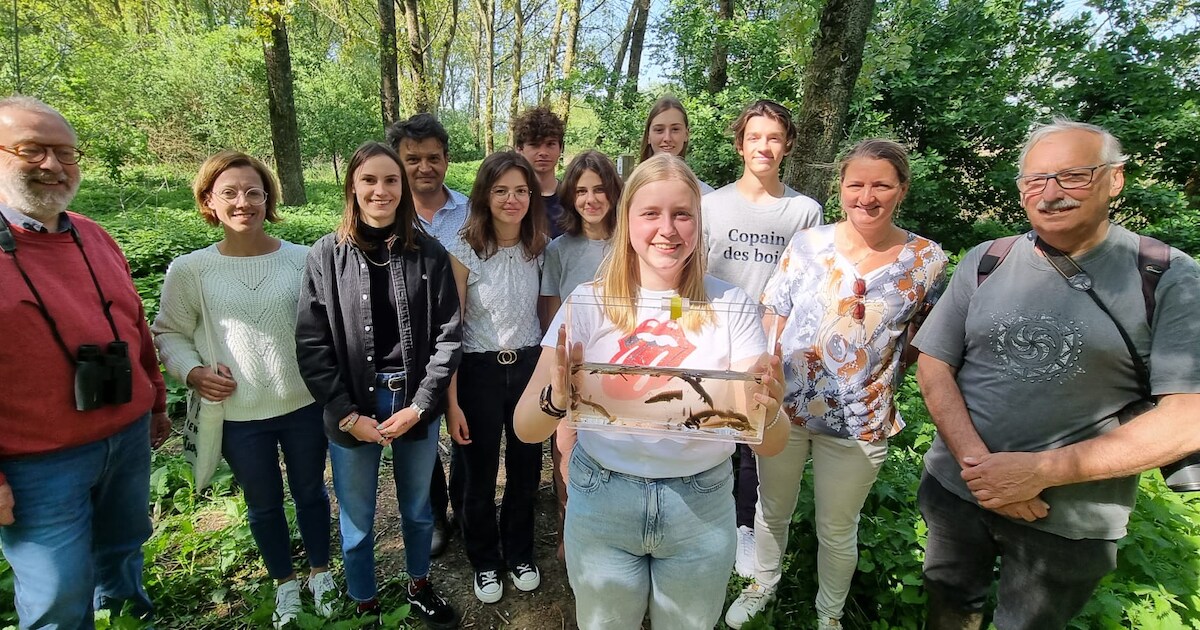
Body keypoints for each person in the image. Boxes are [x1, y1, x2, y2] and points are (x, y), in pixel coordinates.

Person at [912, 119, 1200, 629]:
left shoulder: (1167, 278)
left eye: (1072, 176)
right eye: (1035, 180)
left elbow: (1188, 418)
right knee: (949, 604)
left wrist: (1039, 473)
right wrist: (982, 469)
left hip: (1068, 520)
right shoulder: (988, 260)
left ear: (1115, 179)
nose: (1051, 194)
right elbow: (935, 364)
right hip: (958, 489)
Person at [514, 153, 789, 629]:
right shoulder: (588, 302)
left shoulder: (732, 306)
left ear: (699, 222)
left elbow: (770, 443)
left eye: (682, 214)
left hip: (700, 507)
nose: (667, 229)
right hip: (602, 500)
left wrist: (770, 411)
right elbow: (525, 427)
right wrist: (557, 399)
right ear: (627, 221)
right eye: (650, 213)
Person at [724, 139, 949, 629]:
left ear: (902, 189)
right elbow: (774, 312)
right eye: (856, 184)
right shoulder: (808, 245)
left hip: (862, 417)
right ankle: (763, 584)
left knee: (838, 527)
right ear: (841, 187)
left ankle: (829, 615)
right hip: (788, 407)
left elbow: (926, 337)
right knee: (771, 509)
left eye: (881, 185)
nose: (867, 196)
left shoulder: (927, 260)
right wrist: (763, 374)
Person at [0, 95, 171, 628]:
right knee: (58, 590)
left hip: (125, 436)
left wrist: (156, 402)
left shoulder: (92, 234)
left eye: (66, 153)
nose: (53, 165)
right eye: (32, 150)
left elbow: (133, 324)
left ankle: (126, 619)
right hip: (35, 462)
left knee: (124, 548)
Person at [152, 150, 335, 628]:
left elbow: (327, 329)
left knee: (311, 491)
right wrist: (192, 372)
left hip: (302, 404)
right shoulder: (191, 270)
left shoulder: (302, 259)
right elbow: (169, 332)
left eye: (254, 192)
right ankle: (284, 583)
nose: (243, 202)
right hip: (237, 413)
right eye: (229, 193)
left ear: (268, 199)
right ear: (209, 202)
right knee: (263, 502)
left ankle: (320, 572)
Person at [295, 142, 461, 628]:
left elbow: (449, 336)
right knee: (357, 521)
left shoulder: (429, 254)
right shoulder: (326, 256)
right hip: (351, 405)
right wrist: (347, 415)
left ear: (403, 188)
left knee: (418, 510)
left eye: (391, 180)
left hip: (413, 402)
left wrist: (422, 405)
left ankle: (419, 586)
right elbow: (312, 344)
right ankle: (365, 604)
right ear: (352, 185)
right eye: (369, 180)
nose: (380, 190)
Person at [701, 99, 823, 578]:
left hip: (772, 345)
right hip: (715, 339)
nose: (764, 147)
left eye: (774, 138)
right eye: (754, 137)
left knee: (756, 437)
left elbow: (809, 285)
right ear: (740, 145)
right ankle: (711, 519)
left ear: (787, 145)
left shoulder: (803, 211)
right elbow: (689, 274)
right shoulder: (711, 206)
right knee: (714, 427)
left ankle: (745, 527)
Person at [444, 150, 548, 604]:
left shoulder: (538, 246)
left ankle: (519, 552)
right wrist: (451, 402)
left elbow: (545, 313)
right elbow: (450, 330)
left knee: (526, 468)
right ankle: (485, 560)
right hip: (478, 371)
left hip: (528, 369)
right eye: (501, 190)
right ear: (485, 195)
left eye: (521, 190)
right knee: (479, 473)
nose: (512, 199)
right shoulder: (464, 248)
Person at [386, 112, 468, 557]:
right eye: (413, 158)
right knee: (420, 431)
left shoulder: (471, 211)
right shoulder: (386, 216)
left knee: (467, 427)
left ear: (446, 159)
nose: (424, 167)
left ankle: (466, 507)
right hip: (413, 345)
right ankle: (434, 512)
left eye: (433, 157)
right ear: (398, 162)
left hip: (468, 340)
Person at [539, 149, 623, 561]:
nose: (591, 199)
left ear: (613, 193)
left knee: (615, 459)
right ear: (570, 197)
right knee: (567, 455)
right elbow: (552, 314)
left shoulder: (629, 244)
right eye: (581, 191)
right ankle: (568, 533)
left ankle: (612, 539)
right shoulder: (559, 249)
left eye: (599, 189)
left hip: (622, 372)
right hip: (573, 374)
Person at [638, 95, 715, 193]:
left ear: (686, 134)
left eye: (675, 129)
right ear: (648, 136)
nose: (667, 138)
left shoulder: (705, 195)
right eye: (659, 130)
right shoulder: (631, 192)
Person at [513, 106, 566, 237]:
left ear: (560, 148)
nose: (543, 152)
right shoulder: (510, 200)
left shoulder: (573, 198)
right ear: (519, 149)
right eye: (534, 144)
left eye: (550, 144)